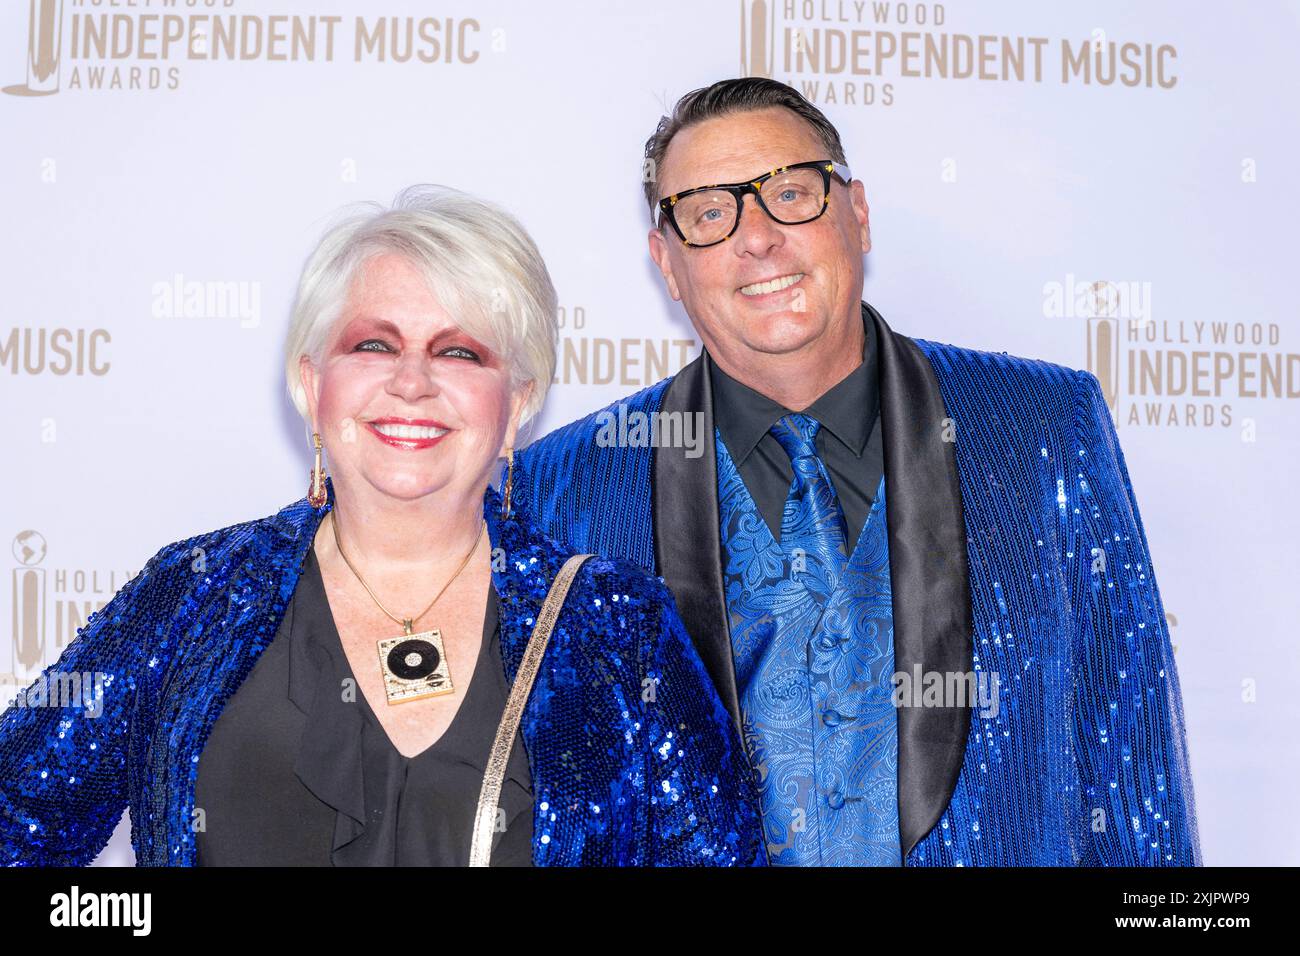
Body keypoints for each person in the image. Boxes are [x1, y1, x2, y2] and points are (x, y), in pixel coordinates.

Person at [513, 78, 1202, 866]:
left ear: (858, 214)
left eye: (791, 193)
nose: (759, 236)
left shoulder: (1045, 427)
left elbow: (1129, 758)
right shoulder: (560, 485)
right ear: (667, 265)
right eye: (709, 212)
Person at [0, 185, 763, 867]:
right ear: (311, 383)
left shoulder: (619, 627)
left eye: (459, 352)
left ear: (518, 404)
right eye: (374, 344)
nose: (412, 383)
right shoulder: (190, 593)